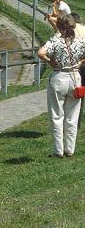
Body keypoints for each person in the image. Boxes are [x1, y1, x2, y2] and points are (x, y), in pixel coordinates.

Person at [37, 15, 85, 158]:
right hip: (75, 77)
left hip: (59, 77)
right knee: (72, 116)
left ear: (59, 27)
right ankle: (70, 149)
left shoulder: (56, 41)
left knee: (57, 115)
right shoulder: (80, 41)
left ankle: (58, 150)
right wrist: (81, 61)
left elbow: (40, 52)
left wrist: (50, 61)